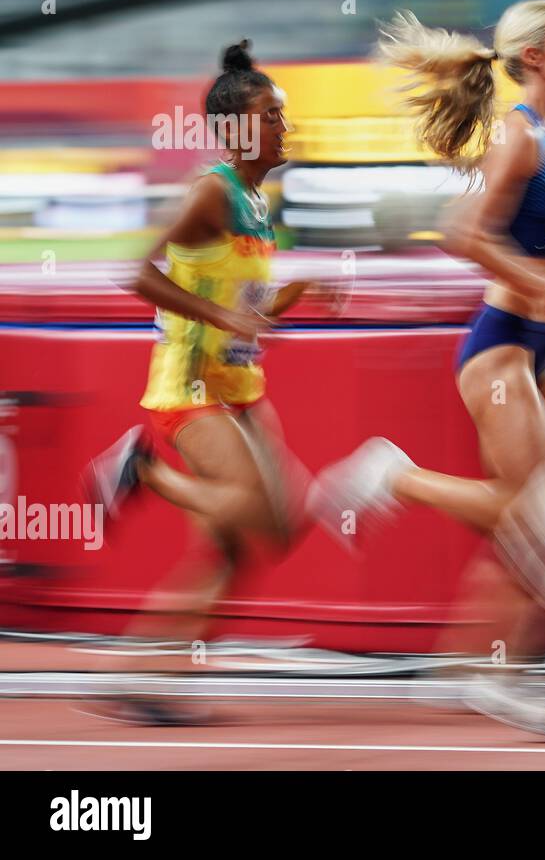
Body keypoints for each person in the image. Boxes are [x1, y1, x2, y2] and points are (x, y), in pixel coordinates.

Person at [312, 1, 545, 737]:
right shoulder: (519, 135)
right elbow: (460, 232)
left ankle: (473, 665)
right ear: (535, 58)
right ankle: (395, 480)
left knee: (544, 519)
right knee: (536, 517)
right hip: (502, 346)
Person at [82, 40, 317, 723]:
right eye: (273, 116)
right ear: (239, 129)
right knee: (245, 511)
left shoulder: (255, 198)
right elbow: (139, 270)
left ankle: (143, 678)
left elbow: (236, 301)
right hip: (188, 385)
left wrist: (284, 301)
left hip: (240, 387)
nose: (284, 126)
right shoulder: (212, 189)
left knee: (265, 533)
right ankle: (141, 468)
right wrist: (217, 312)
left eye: (283, 114)